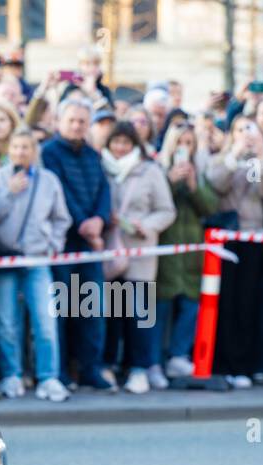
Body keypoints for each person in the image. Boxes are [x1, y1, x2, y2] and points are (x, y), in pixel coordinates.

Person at [0, 128, 72, 401]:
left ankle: (49, 377)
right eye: (17, 147)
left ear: (35, 152)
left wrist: (54, 244)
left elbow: (61, 218)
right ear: (8, 150)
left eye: (27, 147)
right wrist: (8, 194)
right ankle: (11, 375)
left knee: (45, 322)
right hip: (4, 260)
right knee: (6, 322)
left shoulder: (49, 181)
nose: (21, 152)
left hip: (37, 260)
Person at [42, 97, 116, 390]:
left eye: (82, 122)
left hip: (89, 243)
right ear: (60, 122)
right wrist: (85, 223)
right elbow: (59, 192)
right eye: (71, 120)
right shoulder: (48, 153)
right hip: (63, 244)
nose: (76, 126)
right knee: (60, 311)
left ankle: (90, 369)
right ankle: (59, 371)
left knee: (91, 310)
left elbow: (103, 190)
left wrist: (98, 219)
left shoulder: (92, 154)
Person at [100, 121, 177, 393]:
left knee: (138, 315)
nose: (120, 148)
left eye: (125, 143)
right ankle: (109, 365)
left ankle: (139, 368)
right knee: (109, 313)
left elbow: (166, 210)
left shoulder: (150, 171)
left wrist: (148, 225)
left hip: (140, 252)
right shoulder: (101, 168)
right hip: (109, 251)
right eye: (115, 142)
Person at [206, 115, 263, 387]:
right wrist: (234, 154)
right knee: (226, 300)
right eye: (240, 129)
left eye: (251, 129)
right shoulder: (221, 159)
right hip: (226, 236)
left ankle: (244, 365)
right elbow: (217, 184)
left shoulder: (258, 162)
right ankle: (223, 362)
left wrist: (261, 156)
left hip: (253, 236)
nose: (245, 134)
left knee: (248, 302)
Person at [154, 123, 218, 379]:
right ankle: (154, 360)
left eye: (189, 142)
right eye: (180, 142)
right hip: (165, 249)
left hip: (192, 252)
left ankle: (179, 355)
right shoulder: (157, 170)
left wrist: (193, 186)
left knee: (192, 305)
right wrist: (169, 183)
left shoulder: (201, 172)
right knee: (160, 308)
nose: (185, 148)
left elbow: (210, 207)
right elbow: (154, 202)